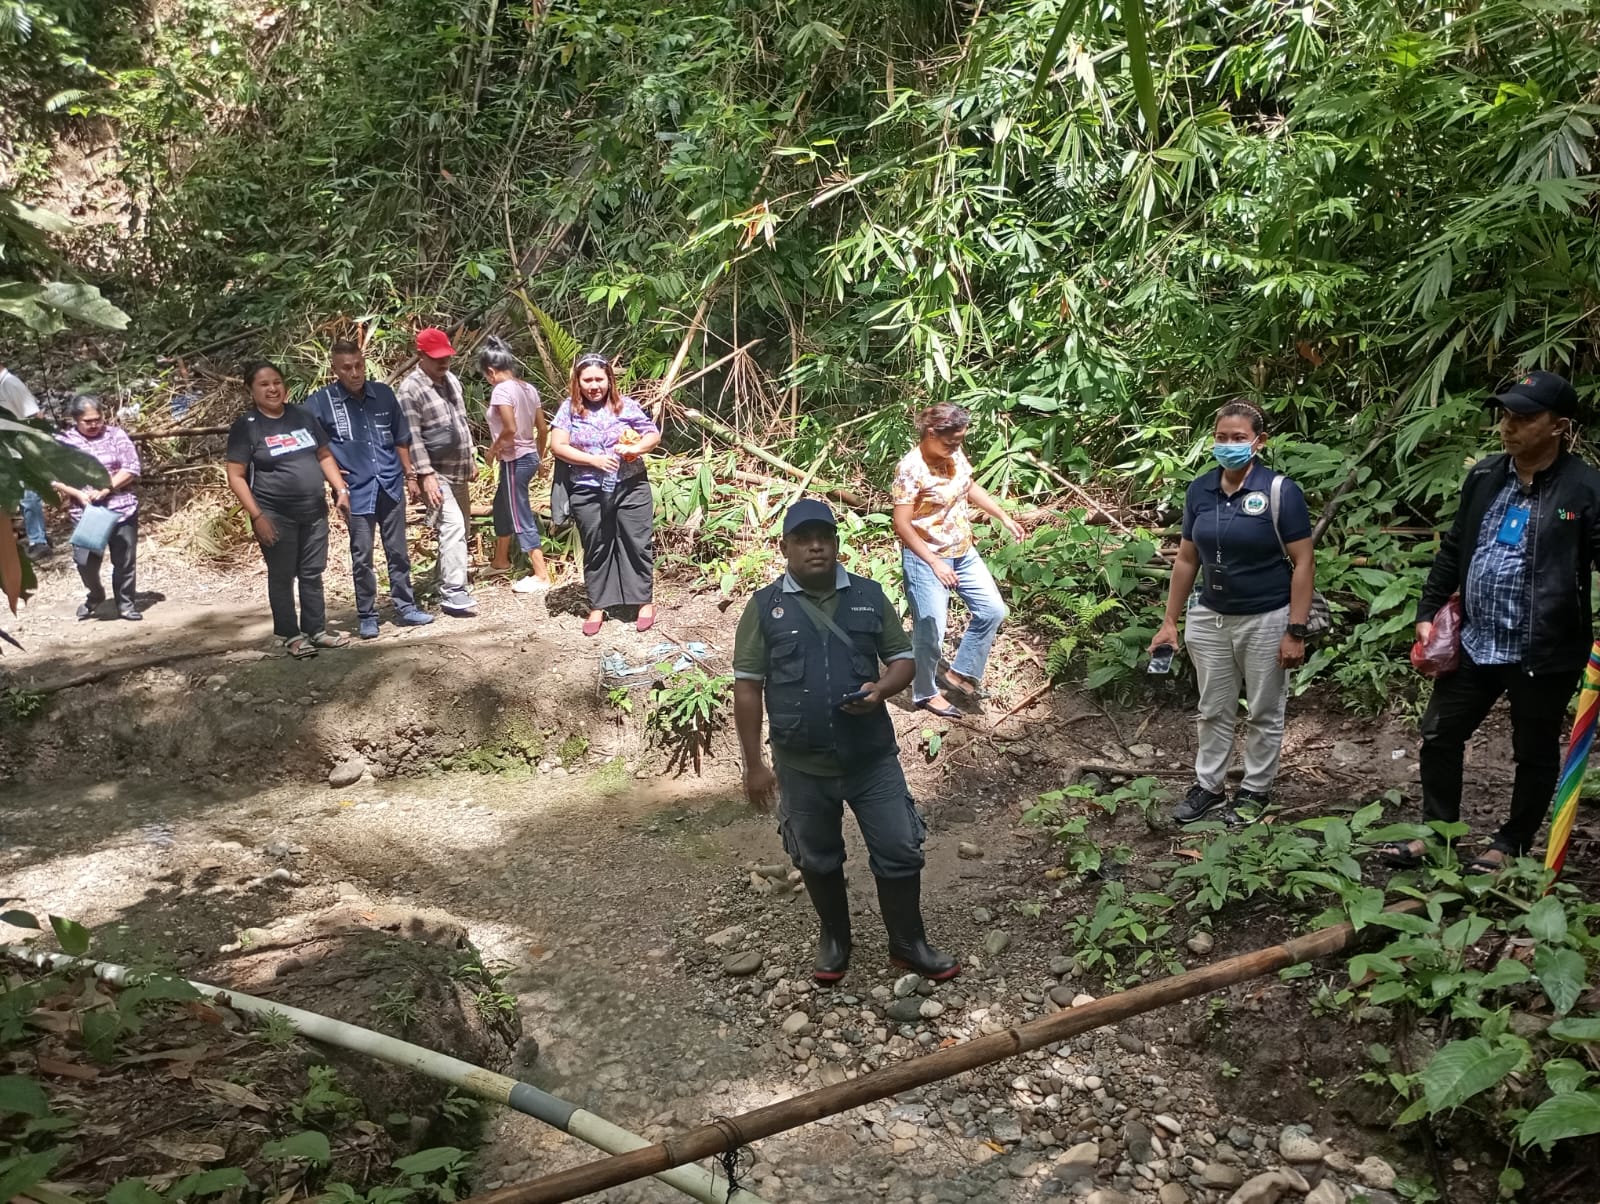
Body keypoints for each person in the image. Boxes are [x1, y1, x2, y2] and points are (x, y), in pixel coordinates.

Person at [734, 499, 959, 985]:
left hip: (871, 759)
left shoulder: (868, 596)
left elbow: (902, 659)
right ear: (785, 548)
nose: (815, 547)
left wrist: (882, 690)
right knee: (816, 856)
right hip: (800, 764)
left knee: (900, 847)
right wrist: (754, 764)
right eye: (803, 539)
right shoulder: (765, 608)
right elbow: (748, 686)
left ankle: (908, 943)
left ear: (836, 544)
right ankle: (835, 939)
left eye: (824, 538)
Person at [1385, 370, 1600, 874]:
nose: (1508, 426)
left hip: (1544, 648)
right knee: (1440, 733)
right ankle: (1438, 834)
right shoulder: (1485, 475)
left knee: (1533, 750)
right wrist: (1427, 611)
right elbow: (1455, 546)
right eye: (1505, 416)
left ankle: (1510, 844)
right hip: (1476, 639)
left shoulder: (1585, 489)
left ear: (1558, 426)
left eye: (1524, 418)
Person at [1149, 402, 1316, 824]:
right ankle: (1208, 787)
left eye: (1239, 438)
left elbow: (1304, 562)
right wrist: (1170, 622)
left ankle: (1256, 790)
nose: (1229, 445)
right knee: (1212, 708)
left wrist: (1295, 630)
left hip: (1267, 617)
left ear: (1259, 442)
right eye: (1221, 437)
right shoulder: (1199, 490)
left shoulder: (1279, 491)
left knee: (1264, 710)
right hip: (1210, 617)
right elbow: (1187, 559)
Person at [892, 403, 1023, 717]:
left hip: (963, 550)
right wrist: (934, 563)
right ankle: (925, 692)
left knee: (992, 610)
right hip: (926, 557)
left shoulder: (954, 453)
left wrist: (1002, 516)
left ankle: (960, 672)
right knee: (930, 632)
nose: (956, 447)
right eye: (951, 441)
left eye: (960, 441)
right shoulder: (910, 468)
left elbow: (968, 485)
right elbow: (902, 524)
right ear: (931, 433)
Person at [304, 340, 435, 639]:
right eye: (347, 368)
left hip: (389, 483)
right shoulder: (321, 402)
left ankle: (406, 606)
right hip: (356, 490)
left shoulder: (383, 395)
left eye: (359, 366)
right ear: (335, 370)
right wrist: (333, 479)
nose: (355, 373)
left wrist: (410, 475)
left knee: (398, 550)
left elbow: (401, 437)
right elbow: (310, 444)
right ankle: (367, 614)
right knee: (362, 555)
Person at [225, 361, 352, 659]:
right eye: (264, 384)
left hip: (314, 510)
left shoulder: (302, 415)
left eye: (277, 382)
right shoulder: (247, 426)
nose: (272, 389)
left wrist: (340, 489)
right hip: (275, 514)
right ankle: (290, 634)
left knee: (312, 572)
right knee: (282, 575)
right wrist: (258, 516)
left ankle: (316, 630)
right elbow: (235, 476)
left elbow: (323, 454)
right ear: (251, 390)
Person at [549, 353, 660, 635]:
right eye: (587, 380)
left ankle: (643, 602)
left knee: (636, 541)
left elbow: (652, 434)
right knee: (596, 544)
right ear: (578, 382)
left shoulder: (626, 406)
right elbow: (558, 446)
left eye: (599, 379)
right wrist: (593, 461)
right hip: (587, 489)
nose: (594, 386)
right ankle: (599, 605)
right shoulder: (569, 409)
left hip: (630, 485)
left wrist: (636, 449)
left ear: (609, 380)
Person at [397, 327, 478, 617]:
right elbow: (412, 436)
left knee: (462, 526)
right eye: (436, 358)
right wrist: (424, 475)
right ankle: (453, 591)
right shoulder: (411, 389)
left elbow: (462, 422)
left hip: (457, 467)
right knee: (453, 525)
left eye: (446, 357)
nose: (443, 362)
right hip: (435, 470)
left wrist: (471, 459)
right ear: (421, 356)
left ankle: (440, 579)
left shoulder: (451, 380)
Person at [50, 396, 142, 621]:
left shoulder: (116, 435)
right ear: (75, 420)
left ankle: (126, 604)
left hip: (121, 508)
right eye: (87, 421)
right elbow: (52, 475)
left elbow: (131, 467)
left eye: (97, 420)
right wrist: (78, 494)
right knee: (85, 562)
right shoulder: (64, 441)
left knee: (124, 560)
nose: (94, 425)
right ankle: (95, 594)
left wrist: (107, 488)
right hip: (86, 513)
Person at [479, 336, 551, 593]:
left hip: (514, 460)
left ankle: (541, 574)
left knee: (520, 513)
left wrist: (492, 451)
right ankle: (501, 560)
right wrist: (538, 458)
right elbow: (543, 429)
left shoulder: (501, 390)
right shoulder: (528, 389)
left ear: (491, 371)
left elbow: (509, 428)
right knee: (502, 504)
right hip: (528, 456)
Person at [1, 363, 52, 559]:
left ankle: (38, 541)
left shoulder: (10, 384)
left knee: (28, 496)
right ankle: (38, 535)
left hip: (22, 451)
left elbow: (35, 416)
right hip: (9, 452)